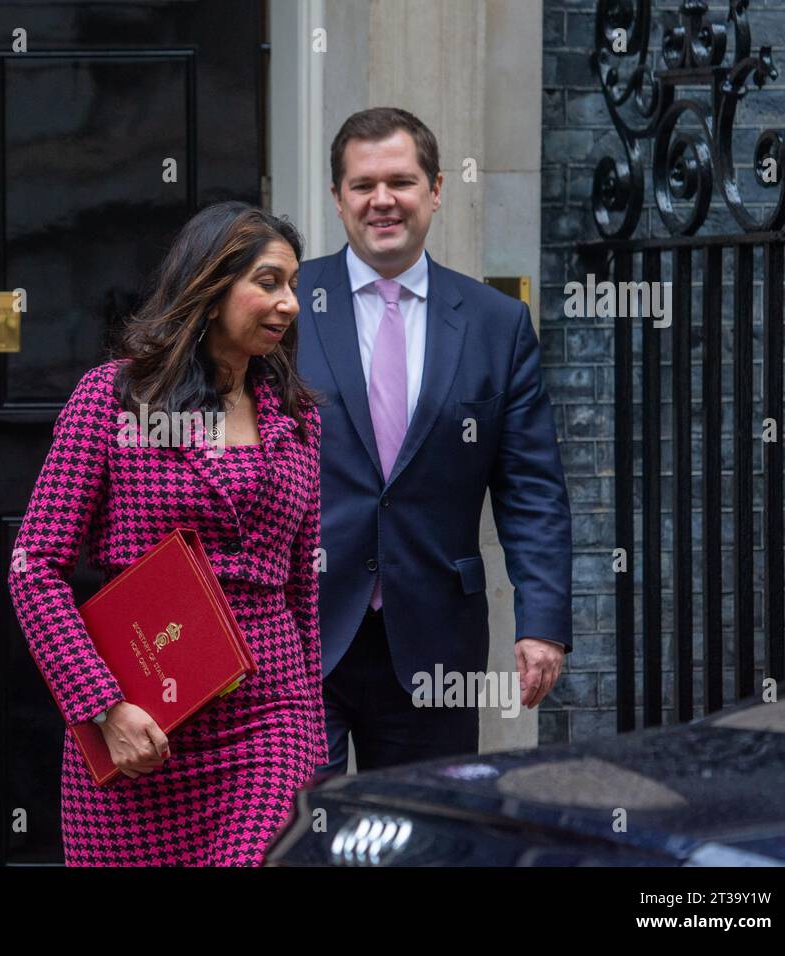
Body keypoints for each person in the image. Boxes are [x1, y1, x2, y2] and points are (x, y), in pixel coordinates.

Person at [8, 201, 325, 865]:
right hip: (138, 709)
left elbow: (303, 589)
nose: (289, 302)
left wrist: (312, 731)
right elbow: (36, 566)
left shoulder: (298, 420)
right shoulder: (111, 400)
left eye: (294, 285)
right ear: (209, 288)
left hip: (270, 719)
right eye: (269, 282)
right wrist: (101, 706)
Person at [294, 107, 572, 773]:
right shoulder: (287, 307)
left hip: (436, 644)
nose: (382, 200)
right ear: (337, 199)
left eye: (402, 181)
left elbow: (531, 489)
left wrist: (542, 623)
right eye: (362, 185)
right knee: (305, 832)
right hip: (300, 632)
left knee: (423, 834)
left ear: (437, 189)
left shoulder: (496, 323)